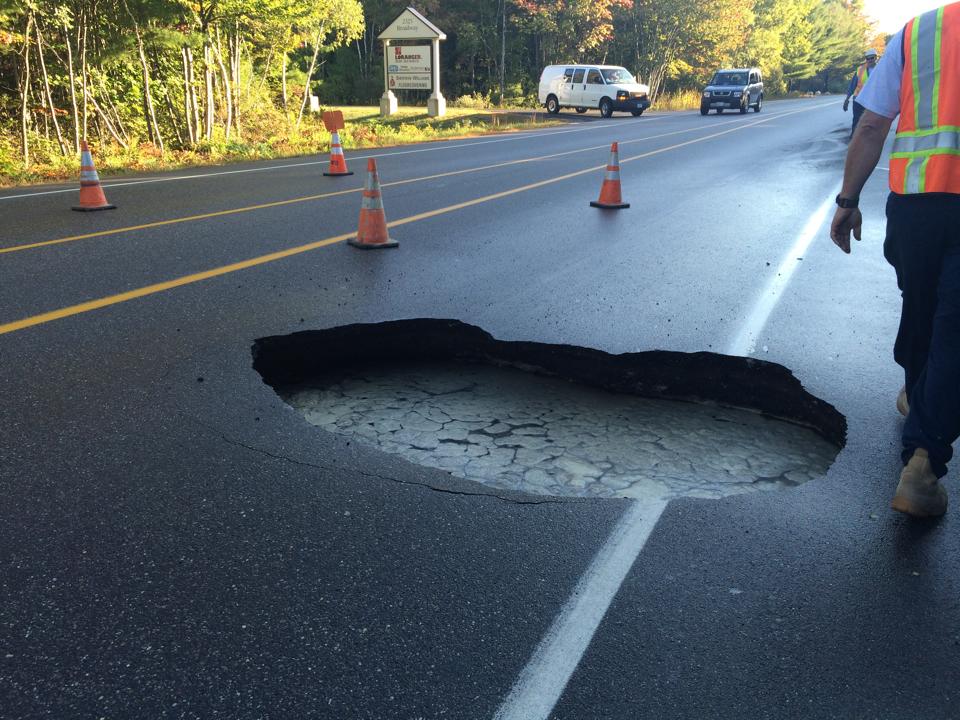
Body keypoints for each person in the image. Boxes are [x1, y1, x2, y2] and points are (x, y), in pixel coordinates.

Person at [830, 2, 960, 518]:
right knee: (953, 330)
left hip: (918, 206)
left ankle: (915, 399)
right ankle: (923, 464)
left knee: (923, 308)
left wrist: (847, 201)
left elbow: (871, 125)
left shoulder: (920, 31)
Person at [843, 48, 879, 137]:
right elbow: (852, 85)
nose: (870, 60)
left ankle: (869, 138)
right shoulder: (860, 70)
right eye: (868, 58)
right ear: (866, 59)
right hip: (858, 99)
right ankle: (854, 137)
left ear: (876, 58)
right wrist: (847, 99)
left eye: (872, 58)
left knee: (871, 120)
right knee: (857, 119)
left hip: (873, 100)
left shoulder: (880, 69)